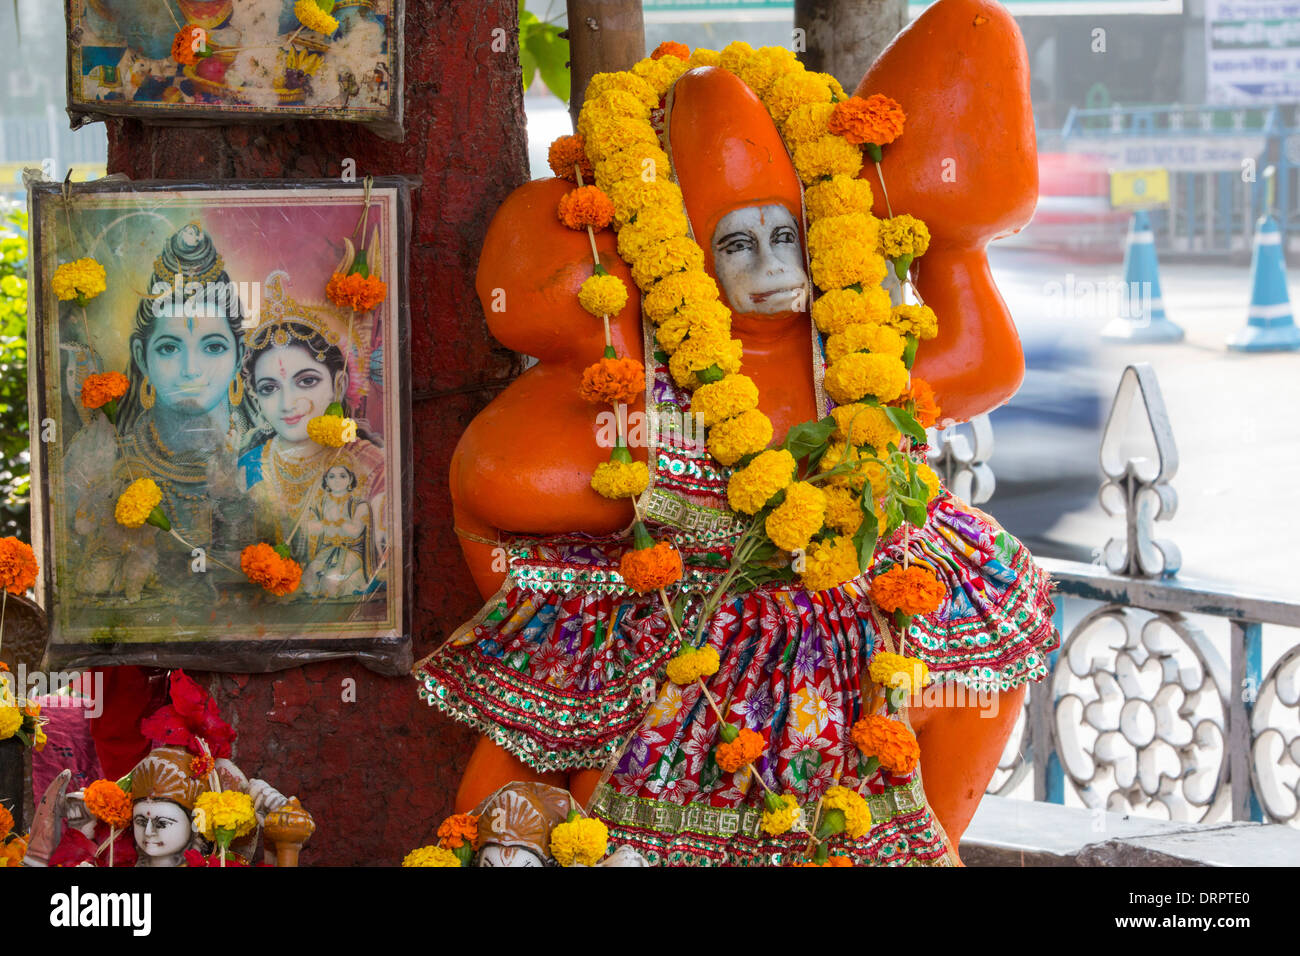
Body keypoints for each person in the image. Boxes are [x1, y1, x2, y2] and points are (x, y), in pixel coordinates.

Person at [416, 45, 1056, 866]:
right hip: (700, 622)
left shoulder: (851, 344)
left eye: (785, 235)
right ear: (685, 260)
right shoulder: (652, 366)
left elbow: (987, 366)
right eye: (738, 245)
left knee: (980, 660)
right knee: (568, 746)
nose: (773, 266)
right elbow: (506, 478)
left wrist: (955, 250)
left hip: (862, 605)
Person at [65, 222, 252, 601]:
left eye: (213, 347)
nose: (191, 369)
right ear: (141, 357)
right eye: (169, 348)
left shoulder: (267, 457)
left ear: (240, 356)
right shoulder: (110, 460)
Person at [237, 272, 385, 572]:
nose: (287, 403)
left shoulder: (372, 466)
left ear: (339, 385)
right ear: (255, 398)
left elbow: (384, 562)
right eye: (269, 388)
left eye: (306, 381)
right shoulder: (249, 466)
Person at [301, 464, 375, 597]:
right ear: (326, 480)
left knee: (330, 583)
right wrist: (327, 524)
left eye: (342, 476)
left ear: (350, 479)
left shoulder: (359, 505)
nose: (337, 480)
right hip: (327, 549)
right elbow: (310, 529)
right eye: (332, 476)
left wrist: (336, 524)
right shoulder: (319, 504)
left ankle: (356, 580)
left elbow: (355, 532)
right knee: (307, 582)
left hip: (351, 550)